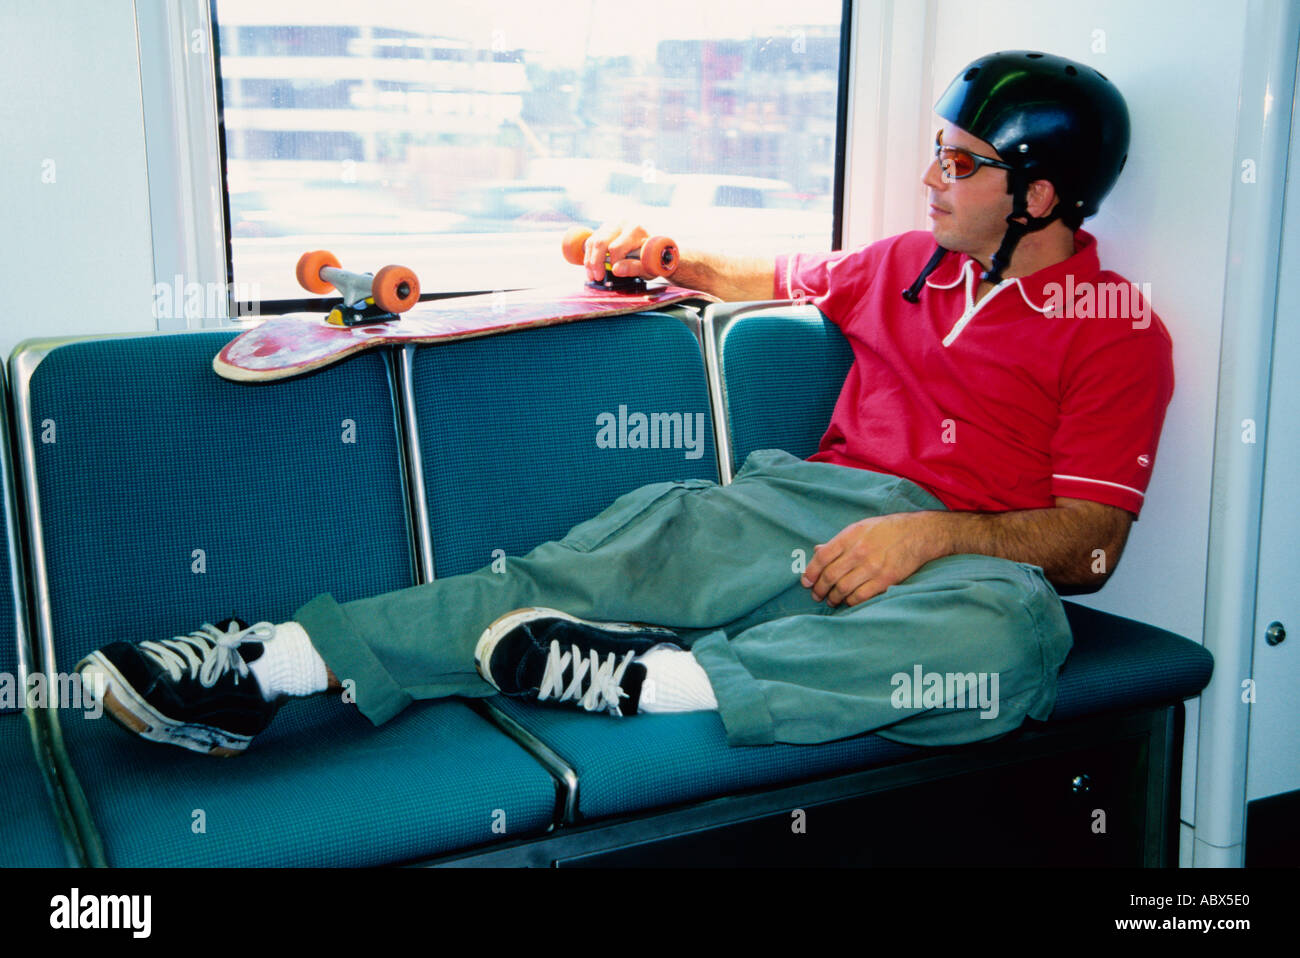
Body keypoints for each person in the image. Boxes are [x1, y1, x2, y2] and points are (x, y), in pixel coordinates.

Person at [77, 50, 1174, 757]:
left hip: (960, 567)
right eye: (936, 149)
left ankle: (665, 681)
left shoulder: (1114, 328)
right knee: (595, 563)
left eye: (960, 161)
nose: (930, 173)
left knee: (1017, 637)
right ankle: (263, 665)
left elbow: (1087, 553)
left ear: (1037, 194)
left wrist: (929, 533)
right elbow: (760, 275)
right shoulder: (899, 262)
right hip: (800, 517)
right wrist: (654, 252)